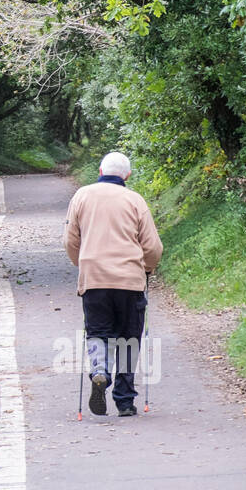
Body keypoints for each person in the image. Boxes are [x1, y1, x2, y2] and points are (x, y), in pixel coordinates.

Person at [63, 151, 163, 417]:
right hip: (129, 280)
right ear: (127, 175)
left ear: (99, 170)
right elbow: (152, 246)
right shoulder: (134, 200)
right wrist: (148, 268)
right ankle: (125, 400)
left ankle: (99, 372)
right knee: (129, 338)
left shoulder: (82, 196)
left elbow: (71, 240)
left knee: (98, 331)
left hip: (94, 279)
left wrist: (82, 263)